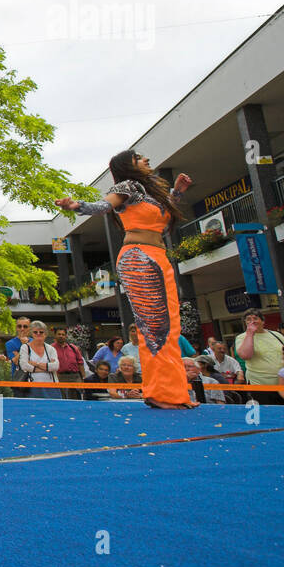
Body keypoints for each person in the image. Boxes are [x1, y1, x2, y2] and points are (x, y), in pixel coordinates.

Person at [56, 151, 194, 408]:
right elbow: (105, 205)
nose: (146, 159)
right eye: (140, 157)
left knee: (170, 328)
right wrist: (77, 206)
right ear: (127, 165)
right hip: (139, 258)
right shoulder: (127, 187)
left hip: (158, 256)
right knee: (155, 330)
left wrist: (177, 192)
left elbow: (162, 222)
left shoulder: (150, 194)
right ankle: (159, 393)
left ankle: (175, 393)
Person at [234, 309, 284, 406]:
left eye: (255, 318)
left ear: (263, 321)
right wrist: (250, 334)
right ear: (245, 323)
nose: (252, 321)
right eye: (248, 319)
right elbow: (245, 355)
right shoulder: (242, 337)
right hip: (259, 385)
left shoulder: (276, 335)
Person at [17, 320, 60, 397]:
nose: (38, 334)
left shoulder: (51, 349)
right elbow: (24, 365)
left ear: (45, 334)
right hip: (32, 387)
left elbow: (55, 366)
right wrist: (47, 367)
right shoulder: (25, 347)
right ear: (31, 334)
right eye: (35, 332)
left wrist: (36, 364)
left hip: (51, 387)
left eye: (41, 332)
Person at [52, 327, 84, 399]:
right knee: (62, 398)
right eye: (59, 334)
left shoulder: (73, 348)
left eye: (63, 334)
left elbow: (80, 363)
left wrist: (83, 378)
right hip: (60, 377)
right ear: (55, 335)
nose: (61, 336)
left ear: (66, 336)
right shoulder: (51, 348)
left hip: (75, 377)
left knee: (77, 398)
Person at [5, 318, 32, 398]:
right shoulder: (10, 343)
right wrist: (24, 346)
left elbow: (35, 360)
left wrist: (18, 353)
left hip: (34, 380)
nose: (22, 329)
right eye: (19, 326)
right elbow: (16, 361)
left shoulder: (35, 342)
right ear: (16, 328)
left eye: (25, 326)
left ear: (29, 328)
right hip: (18, 380)